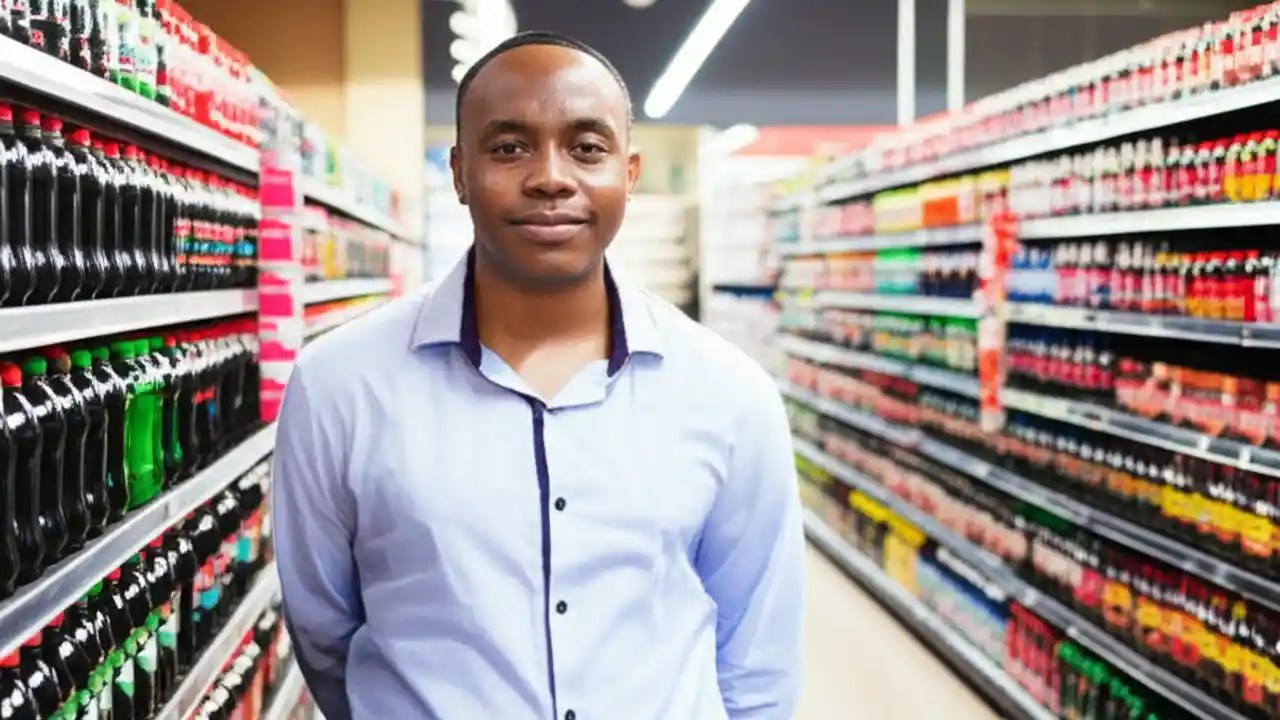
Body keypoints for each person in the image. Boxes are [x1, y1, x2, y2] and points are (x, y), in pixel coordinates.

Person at [272, 30, 804, 720]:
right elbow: (324, 631)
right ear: (459, 172)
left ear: (630, 173)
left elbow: (756, 655)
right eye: (509, 147)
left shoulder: (730, 394)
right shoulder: (339, 385)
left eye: (587, 147)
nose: (551, 176)